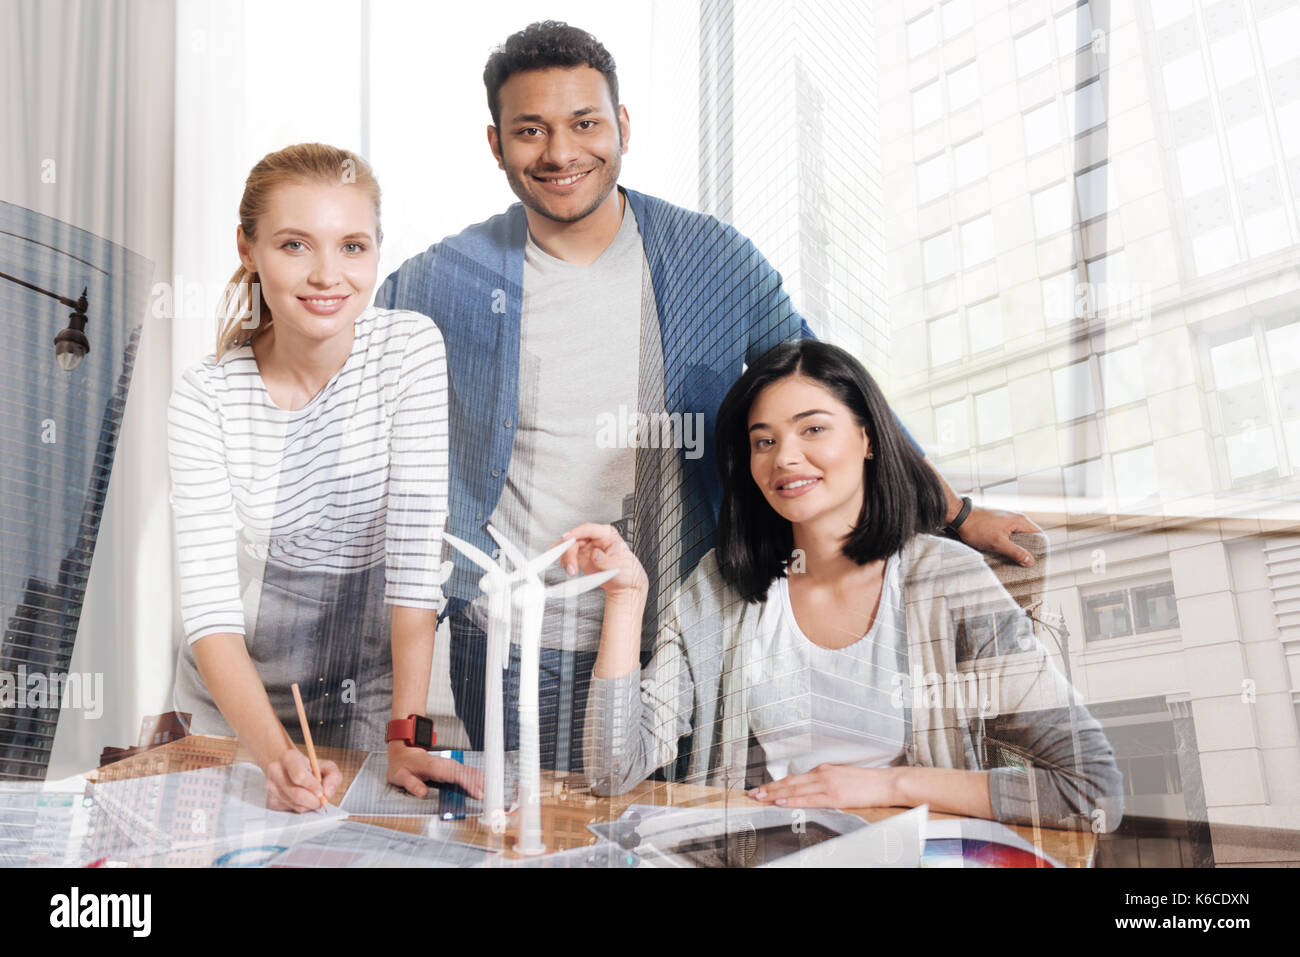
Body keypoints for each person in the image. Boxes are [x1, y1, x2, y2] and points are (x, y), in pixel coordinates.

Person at [374, 20, 1042, 785]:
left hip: (682, 643)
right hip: (510, 648)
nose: (561, 153)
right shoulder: (440, 281)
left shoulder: (712, 260)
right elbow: (343, 374)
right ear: (496, 144)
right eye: (531, 131)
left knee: (674, 839)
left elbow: (837, 392)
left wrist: (954, 514)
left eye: (585, 124)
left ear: (622, 127)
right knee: (534, 839)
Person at [571, 340, 1124, 831]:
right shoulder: (720, 586)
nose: (785, 457)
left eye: (813, 428)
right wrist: (625, 600)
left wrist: (891, 786)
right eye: (763, 441)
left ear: (867, 438)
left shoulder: (949, 581)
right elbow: (612, 769)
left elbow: (1092, 790)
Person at [167, 143, 480, 811]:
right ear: (248, 249)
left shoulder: (408, 351)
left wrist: (407, 732)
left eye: (352, 247)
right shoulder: (205, 399)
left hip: (361, 698)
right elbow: (212, 616)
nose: (326, 275)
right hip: (230, 712)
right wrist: (275, 755)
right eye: (294, 245)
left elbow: (414, 566)